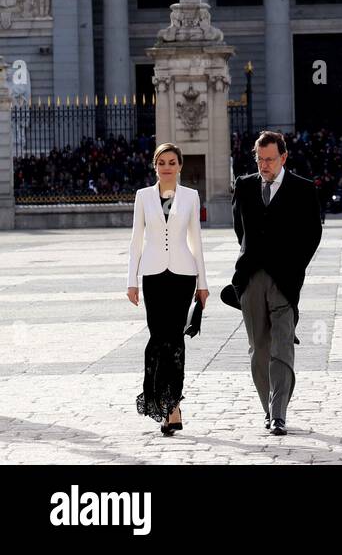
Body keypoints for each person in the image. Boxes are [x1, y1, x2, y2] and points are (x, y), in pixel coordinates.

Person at [221, 130, 322, 437]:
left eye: (270, 159)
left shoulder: (303, 189)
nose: (264, 165)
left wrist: (294, 266)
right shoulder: (245, 185)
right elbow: (240, 228)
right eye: (260, 159)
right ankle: (268, 407)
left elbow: (312, 234)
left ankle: (279, 413)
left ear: (283, 157)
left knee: (282, 347)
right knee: (258, 348)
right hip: (251, 278)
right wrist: (252, 258)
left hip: (285, 280)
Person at [127, 142, 209, 435]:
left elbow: (196, 241)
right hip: (153, 275)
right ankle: (163, 401)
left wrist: (203, 283)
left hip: (183, 275)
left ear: (180, 166)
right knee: (157, 339)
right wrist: (131, 280)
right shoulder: (143, 196)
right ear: (155, 166)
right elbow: (137, 239)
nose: (167, 167)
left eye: (172, 162)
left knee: (175, 340)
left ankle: (172, 407)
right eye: (162, 162)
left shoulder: (190, 196)